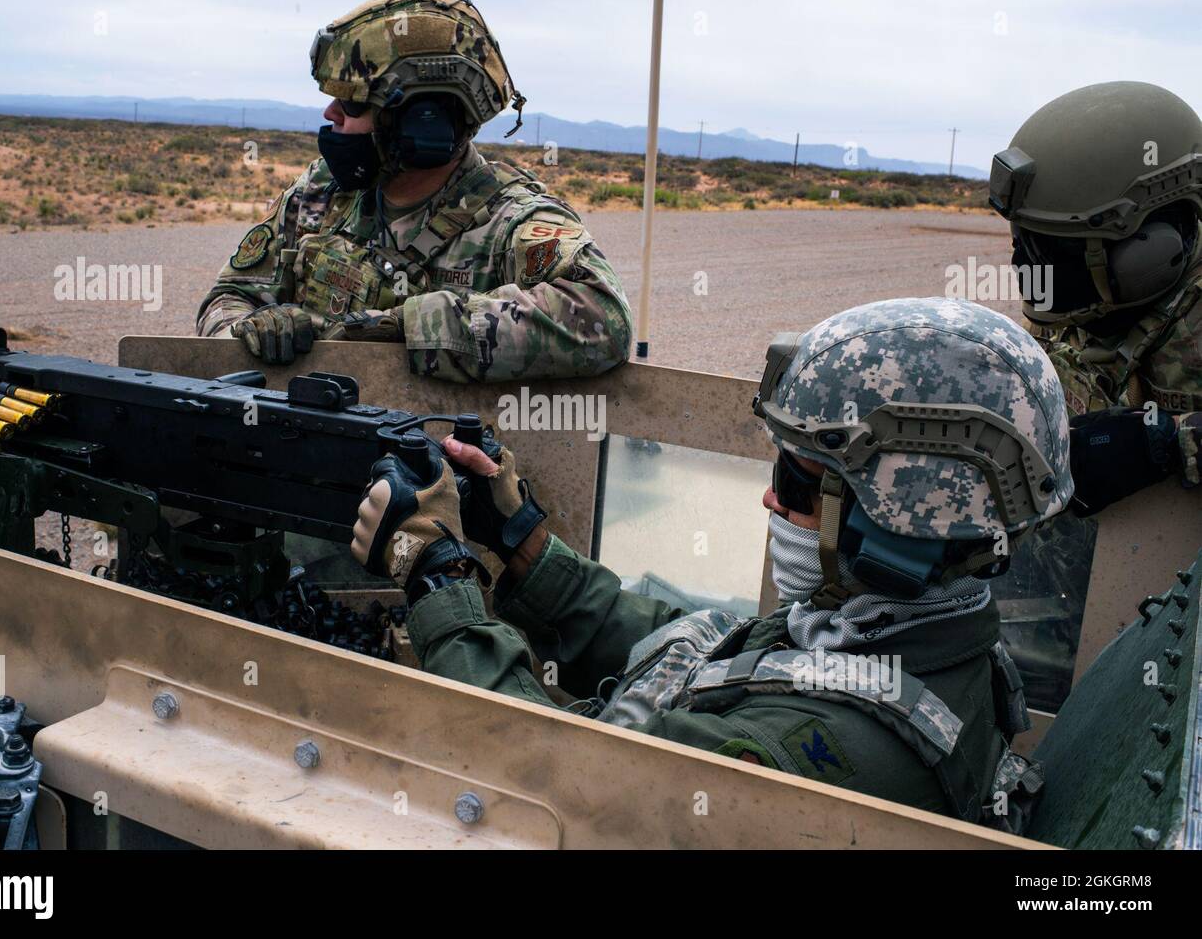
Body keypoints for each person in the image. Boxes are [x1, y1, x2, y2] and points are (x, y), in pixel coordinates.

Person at [351, 298, 1071, 830]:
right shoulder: (901, 631)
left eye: (794, 482)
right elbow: (705, 650)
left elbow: (545, 795)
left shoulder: (818, 758)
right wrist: (522, 542)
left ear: (901, 523)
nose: (767, 496)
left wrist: (435, 573)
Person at [196, 0, 632, 382]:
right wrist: (245, 334)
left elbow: (604, 318)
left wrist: (407, 328)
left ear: (423, 122)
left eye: (352, 103)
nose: (331, 114)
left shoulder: (510, 220)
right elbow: (230, 296)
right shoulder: (321, 191)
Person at [990, 81, 1200, 504]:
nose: (1026, 266)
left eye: (1057, 248)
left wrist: (1176, 442)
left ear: (1152, 247)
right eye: (1026, 240)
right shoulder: (1089, 307)